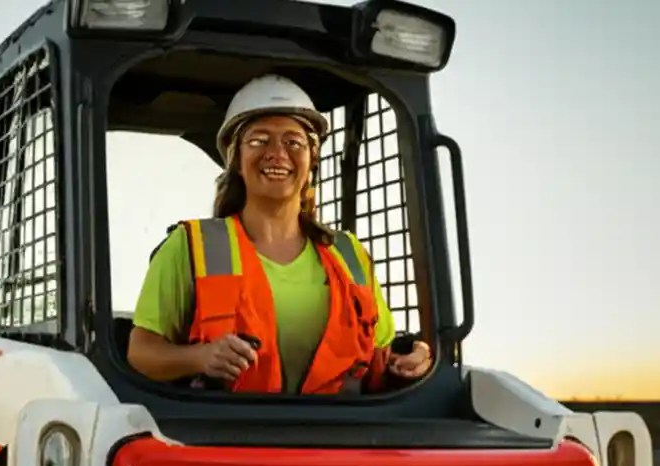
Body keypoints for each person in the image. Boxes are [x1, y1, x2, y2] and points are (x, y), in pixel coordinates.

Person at [126, 74, 433, 394]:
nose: (277, 152)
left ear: (311, 159)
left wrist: (413, 359)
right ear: (237, 160)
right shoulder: (191, 247)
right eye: (259, 140)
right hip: (222, 435)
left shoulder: (349, 254)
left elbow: (378, 356)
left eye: (293, 142)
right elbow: (141, 354)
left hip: (339, 435)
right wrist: (199, 357)